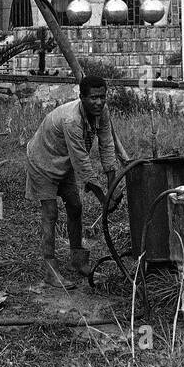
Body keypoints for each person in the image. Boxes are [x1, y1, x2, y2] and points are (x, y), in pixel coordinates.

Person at [25, 74, 124, 289]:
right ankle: (50, 271)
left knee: (76, 207)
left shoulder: (102, 112)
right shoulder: (72, 121)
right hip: (42, 161)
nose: (98, 102)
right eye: (93, 98)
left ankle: (77, 260)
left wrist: (112, 186)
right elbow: (82, 163)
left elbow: (107, 146)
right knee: (50, 213)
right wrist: (103, 199)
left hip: (64, 161)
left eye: (102, 97)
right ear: (81, 97)